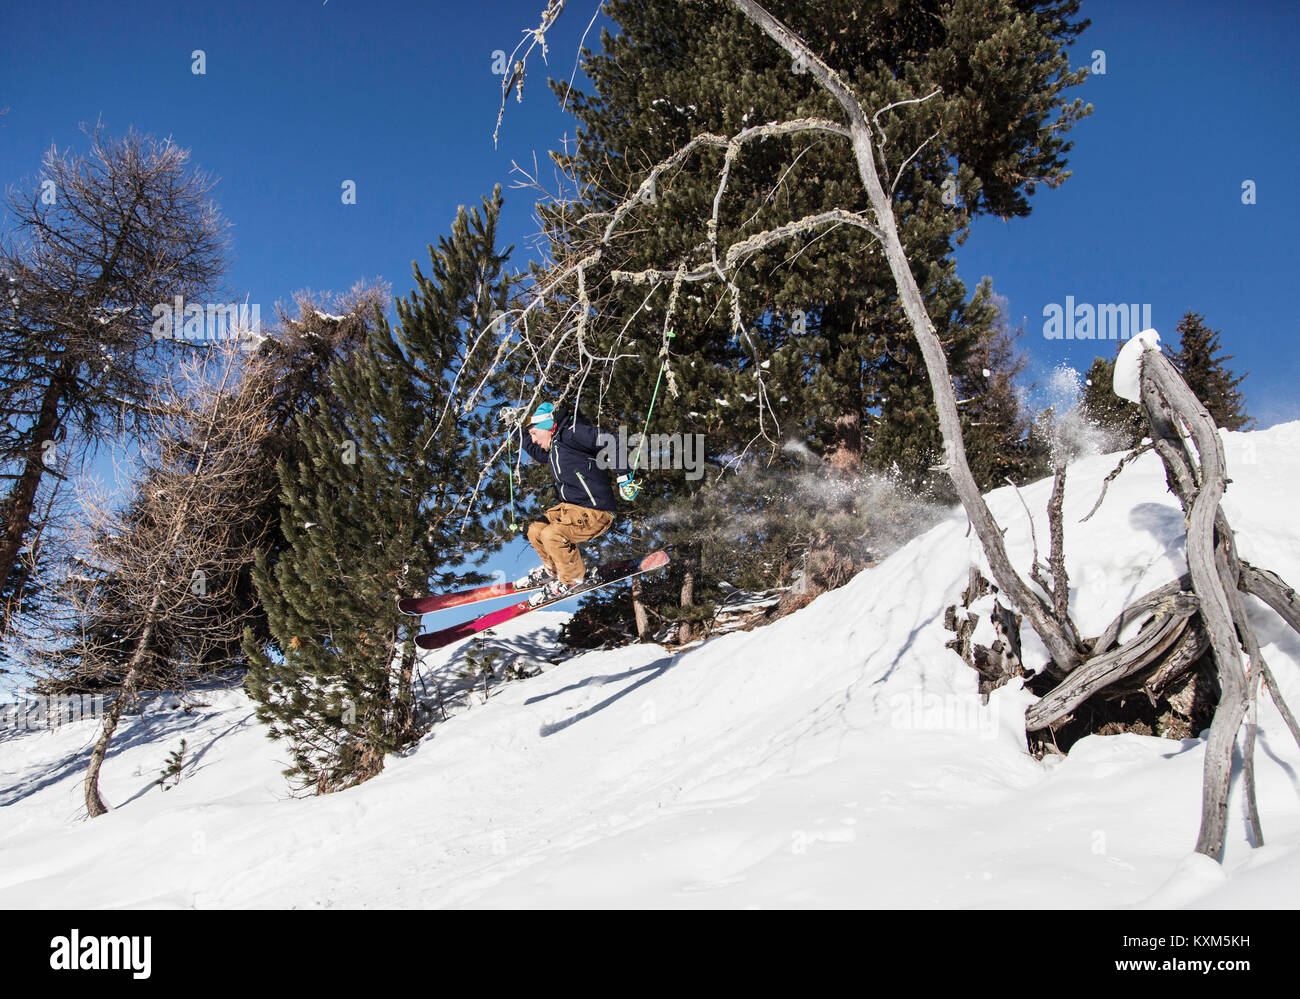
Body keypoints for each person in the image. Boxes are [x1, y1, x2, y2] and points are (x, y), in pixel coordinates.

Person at [511, 402, 638, 605]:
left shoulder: (572, 433)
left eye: (534, 433)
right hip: (572, 508)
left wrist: (624, 477)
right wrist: (516, 431)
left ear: (547, 426)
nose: (533, 439)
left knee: (552, 534)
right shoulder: (555, 446)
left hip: (596, 510)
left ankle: (572, 579)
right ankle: (553, 569)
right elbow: (534, 450)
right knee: (535, 530)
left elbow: (612, 440)